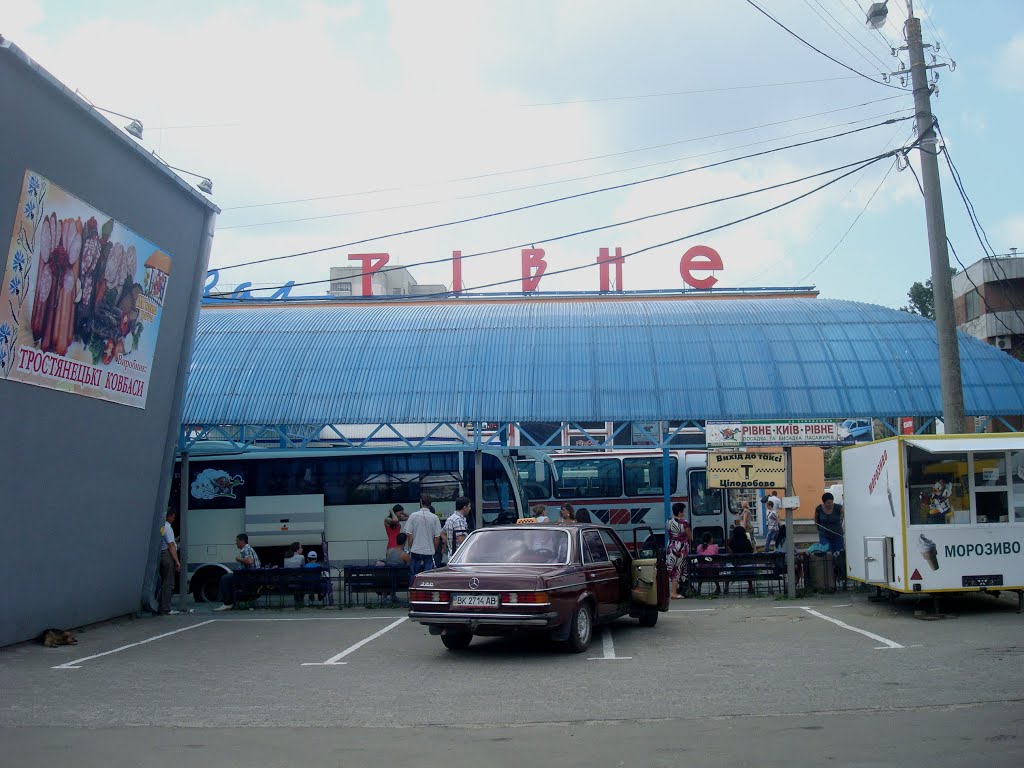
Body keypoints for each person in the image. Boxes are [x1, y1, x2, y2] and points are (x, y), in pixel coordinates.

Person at [214, 534, 262, 611]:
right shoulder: (248, 548)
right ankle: (229, 602)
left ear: (242, 541)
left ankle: (227, 603)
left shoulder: (246, 549)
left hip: (250, 576)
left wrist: (238, 559)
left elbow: (250, 561)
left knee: (225, 579)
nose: (236, 543)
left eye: (237, 541)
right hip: (252, 575)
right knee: (229, 577)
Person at [405, 495, 442, 579]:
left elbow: (409, 534)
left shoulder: (413, 516)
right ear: (430, 504)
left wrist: (411, 547)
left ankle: (414, 587)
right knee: (428, 576)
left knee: (414, 575)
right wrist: (434, 549)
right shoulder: (435, 518)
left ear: (421, 502)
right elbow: (437, 537)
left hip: (415, 550)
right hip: (429, 551)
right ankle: (426, 587)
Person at [666, 502, 692, 599]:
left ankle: (673, 591)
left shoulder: (669, 521)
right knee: (678, 569)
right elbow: (690, 536)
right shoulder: (684, 523)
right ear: (680, 512)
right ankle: (674, 592)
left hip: (671, 546)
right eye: (683, 511)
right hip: (680, 548)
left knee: (672, 568)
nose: (684, 512)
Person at [157, 511, 180, 615]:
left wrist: (175, 540)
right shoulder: (168, 527)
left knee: (164, 582)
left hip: (161, 554)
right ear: (169, 517)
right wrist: (177, 561)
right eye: (173, 517)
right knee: (169, 583)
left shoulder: (162, 527)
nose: (174, 519)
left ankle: (160, 606)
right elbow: (171, 545)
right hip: (167, 555)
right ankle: (166, 608)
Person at [726, 523, 755, 594]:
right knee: (747, 565)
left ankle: (726, 587)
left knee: (727, 568)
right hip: (748, 569)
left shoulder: (732, 542)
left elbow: (730, 552)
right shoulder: (747, 542)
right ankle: (750, 586)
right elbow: (751, 552)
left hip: (736, 568)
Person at [695, 531, 721, 596]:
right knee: (715, 567)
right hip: (713, 572)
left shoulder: (699, 547)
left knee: (701, 567)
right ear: (711, 539)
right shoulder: (715, 547)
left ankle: (699, 589)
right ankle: (718, 587)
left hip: (702, 572)